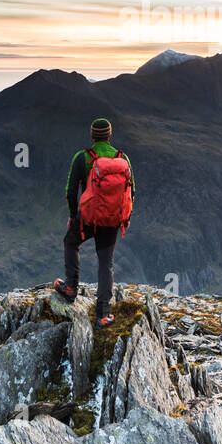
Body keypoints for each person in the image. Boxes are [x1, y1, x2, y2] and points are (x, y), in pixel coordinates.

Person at [53, 117, 134, 327]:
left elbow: (70, 192)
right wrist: (123, 216)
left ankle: (71, 287)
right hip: (111, 221)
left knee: (71, 242)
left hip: (88, 218)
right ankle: (103, 315)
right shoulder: (122, 157)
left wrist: (73, 216)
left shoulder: (82, 157)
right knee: (105, 264)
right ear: (109, 135)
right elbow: (131, 191)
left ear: (92, 135)